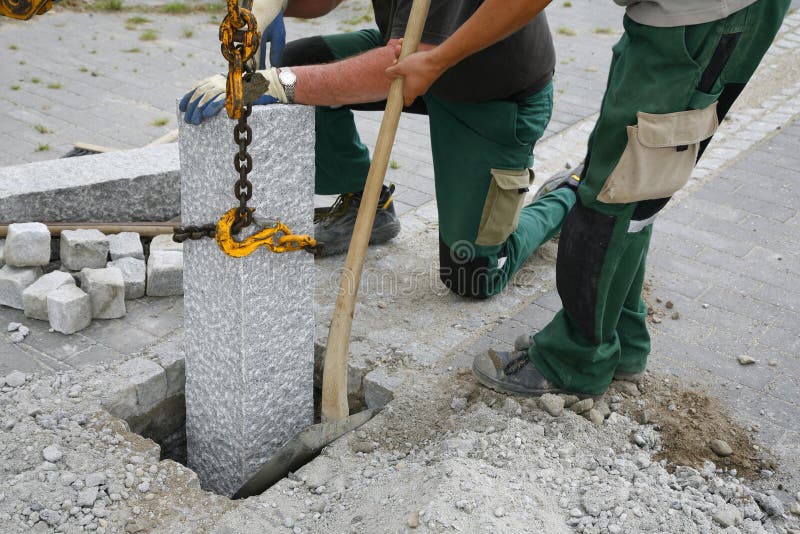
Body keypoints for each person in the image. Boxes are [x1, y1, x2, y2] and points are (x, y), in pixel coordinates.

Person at [387, 0, 791, 399]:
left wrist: (440, 58)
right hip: (693, 17)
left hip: (702, 20)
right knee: (637, 184)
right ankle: (625, 343)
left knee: (611, 198)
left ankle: (575, 361)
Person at [180, 0, 579, 299]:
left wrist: (275, 83)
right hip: (418, 55)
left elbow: (406, 65)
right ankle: (365, 208)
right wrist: (271, 5)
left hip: (490, 93)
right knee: (306, 60)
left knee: (471, 277)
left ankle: (568, 195)